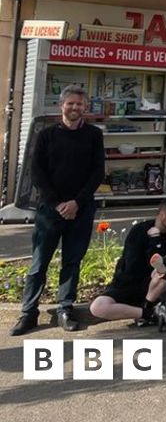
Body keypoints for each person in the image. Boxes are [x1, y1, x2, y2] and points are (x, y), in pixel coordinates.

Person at [11, 85, 105, 335]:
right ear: (61, 106)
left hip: (81, 210)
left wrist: (76, 203)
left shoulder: (94, 135)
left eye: (79, 104)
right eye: (70, 103)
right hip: (49, 211)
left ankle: (65, 308)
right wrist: (57, 204)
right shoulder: (47, 135)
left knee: (72, 262)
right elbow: (36, 172)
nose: (75, 107)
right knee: (39, 263)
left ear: (85, 107)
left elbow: (98, 173)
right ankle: (28, 313)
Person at [89, 198, 166, 325]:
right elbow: (133, 265)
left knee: (163, 273)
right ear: (162, 215)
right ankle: (150, 314)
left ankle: (146, 311)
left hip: (155, 287)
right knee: (97, 307)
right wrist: (155, 243)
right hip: (129, 284)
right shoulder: (140, 231)